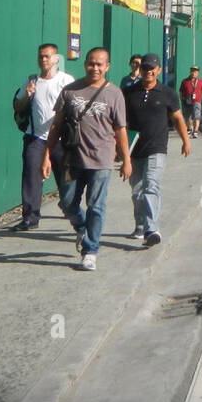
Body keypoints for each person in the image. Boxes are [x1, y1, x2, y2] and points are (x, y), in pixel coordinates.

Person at [43, 47, 131, 271]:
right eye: (91, 63)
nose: (95, 67)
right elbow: (56, 124)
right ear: (85, 64)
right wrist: (46, 155)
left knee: (96, 206)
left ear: (107, 67)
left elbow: (120, 129)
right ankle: (82, 228)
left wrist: (126, 159)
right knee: (67, 203)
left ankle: (91, 250)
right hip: (72, 158)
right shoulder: (70, 91)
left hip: (101, 160)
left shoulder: (114, 94)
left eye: (100, 64)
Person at [122, 52, 190, 246]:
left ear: (158, 70)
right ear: (140, 69)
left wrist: (186, 140)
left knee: (151, 186)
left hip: (157, 148)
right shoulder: (129, 93)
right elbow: (121, 124)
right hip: (135, 150)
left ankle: (152, 229)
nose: (148, 72)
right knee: (137, 192)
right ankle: (141, 225)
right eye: (145, 68)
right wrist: (121, 151)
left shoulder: (168, 94)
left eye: (152, 68)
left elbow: (177, 119)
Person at [11, 42, 74, 230]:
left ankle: (69, 206)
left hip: (61, 139)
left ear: (56, 59)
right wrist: (27, 97)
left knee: (66, 178)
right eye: (41, 56)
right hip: (35, 138)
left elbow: (75, 107)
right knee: (31, 175)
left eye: (47, 56)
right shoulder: (32, 81)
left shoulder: (66, 81)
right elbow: (17, 107)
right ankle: (30, 217)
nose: (43, 60)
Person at [179, 66, 202, 137]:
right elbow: (181, 91)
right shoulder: (185, 81)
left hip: (196, 101)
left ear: (198, 73)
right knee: (186, 117)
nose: (194, 73)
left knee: (196, 116)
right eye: (192, 71)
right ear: (190, 72)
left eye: (195, 72)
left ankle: (195, 131)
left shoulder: (201, 82)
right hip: (186, 101)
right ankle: (189, 129)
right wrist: (181, 99)